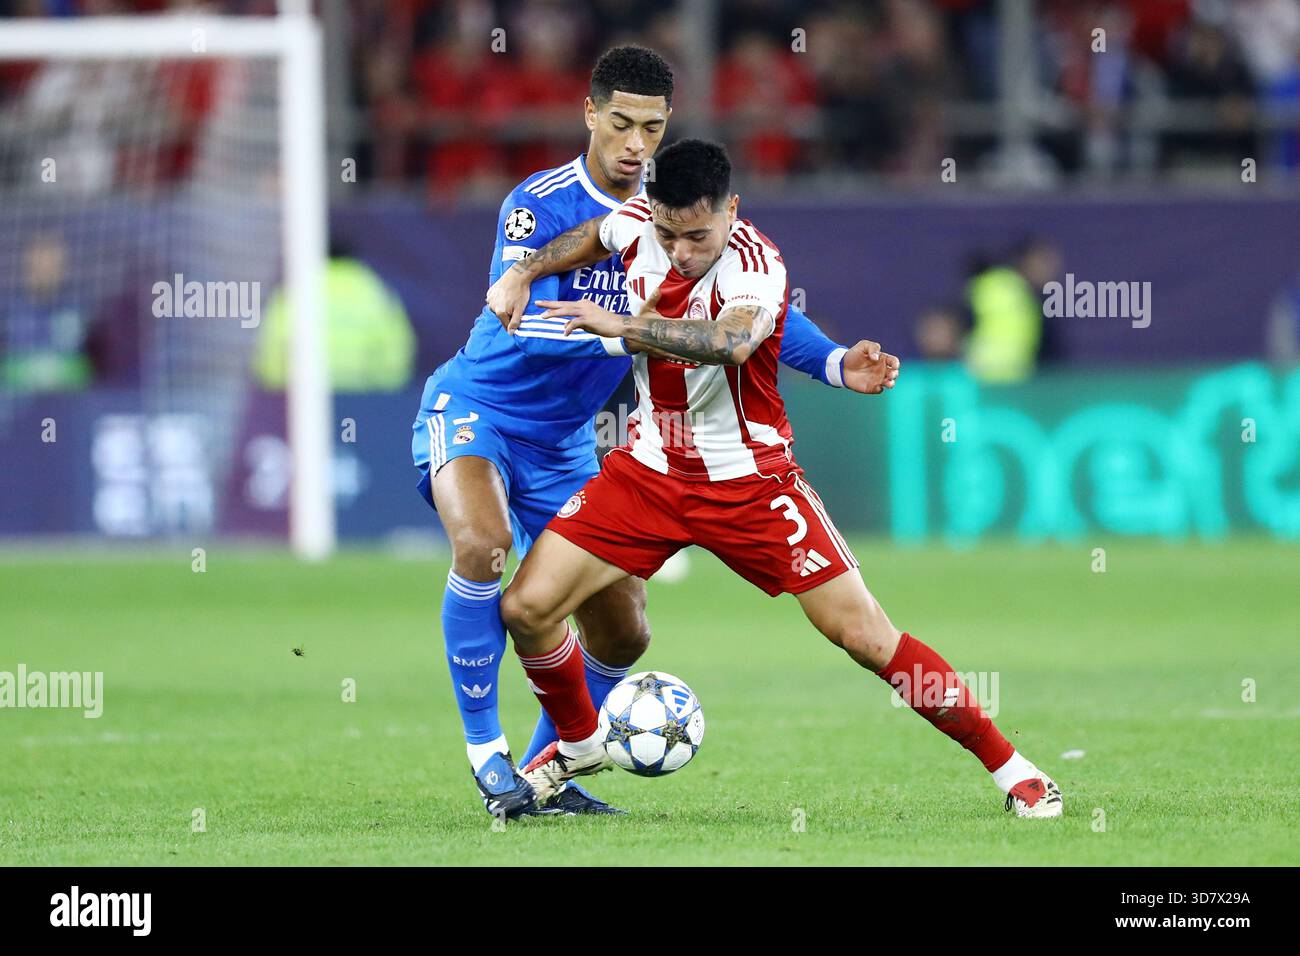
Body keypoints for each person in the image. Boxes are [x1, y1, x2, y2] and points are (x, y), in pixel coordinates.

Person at [492, 139, 1063, 820]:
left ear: (732, 210)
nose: (680, 251)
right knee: (525, 609)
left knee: (866, 637)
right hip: (646, 475)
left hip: (752, 486)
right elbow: (595, 234)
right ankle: (580, 744)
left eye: (697, 235)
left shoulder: (757, 265)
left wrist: (621, 326)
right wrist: (526, 270)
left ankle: (1014, 769)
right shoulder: (645, 223)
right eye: (668, 234)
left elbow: (730, 342)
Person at [415, 46, 890, 820]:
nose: (638, 144)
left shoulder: (672, 210)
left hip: (570, 439)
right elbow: (526, 323)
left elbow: (757, 310)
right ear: (590, 114)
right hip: (484, 410)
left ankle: (551, 772)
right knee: (483, 545)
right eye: (624, 124)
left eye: (654, 127)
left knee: (625, 629)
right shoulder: (538, 202)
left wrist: (835, 362)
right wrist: (600, 318)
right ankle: (488, 755)